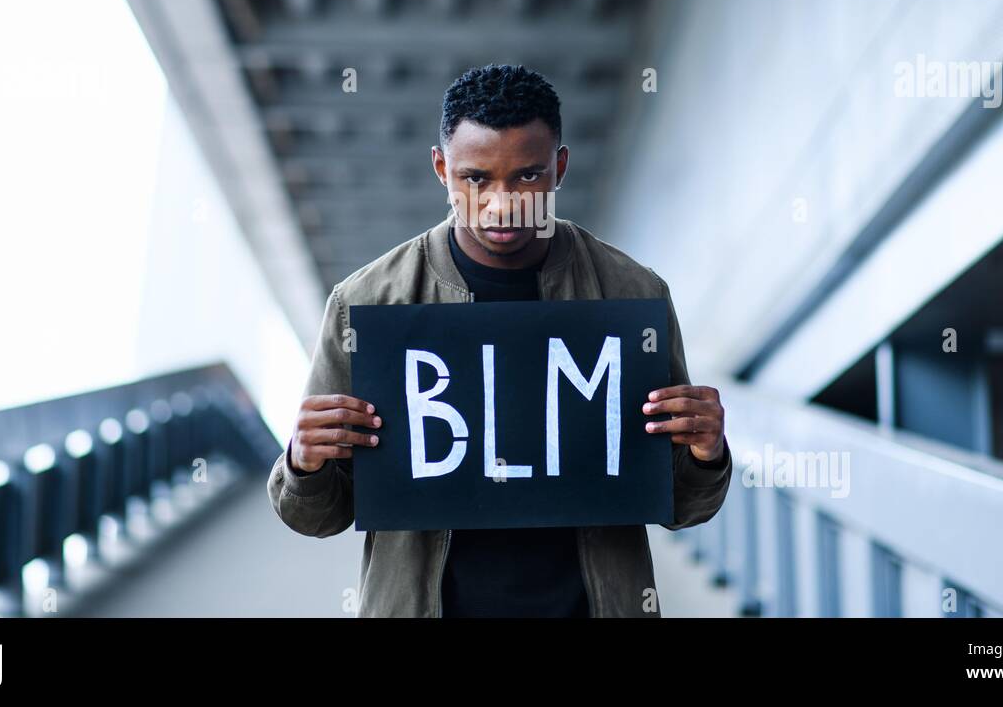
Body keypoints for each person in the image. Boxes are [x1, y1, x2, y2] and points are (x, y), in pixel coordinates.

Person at [268, 63, 732, 617]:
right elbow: (317, 515)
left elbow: (679, 504)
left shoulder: (630, 293)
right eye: (475, 178)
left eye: (528, 176)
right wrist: (303, 464)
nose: (501, 201)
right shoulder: (368, 301)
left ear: (559, 167)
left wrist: (707, 453)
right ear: (441, 169)